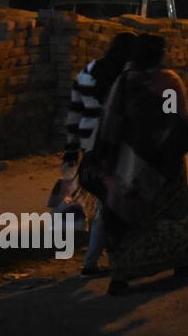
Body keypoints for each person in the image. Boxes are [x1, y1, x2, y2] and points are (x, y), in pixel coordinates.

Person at [92, 34, 188, 295]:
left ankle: (121, 275)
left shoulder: (124, 83)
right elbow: (179, 118)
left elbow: (110, 122)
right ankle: (181, 259)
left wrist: (106, 159)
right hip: (165, 162)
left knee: (128, 213)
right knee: (172, 212)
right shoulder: (168, 82)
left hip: (128, 163)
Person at [56, 32, 138, 278]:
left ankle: (100, 260)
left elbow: (75, 112)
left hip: (89, 144)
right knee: (111, 203)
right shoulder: (128, 77)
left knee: (105, 201)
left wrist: (71, 150)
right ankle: (103, 260)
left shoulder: (88, 72)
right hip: (118, 146)